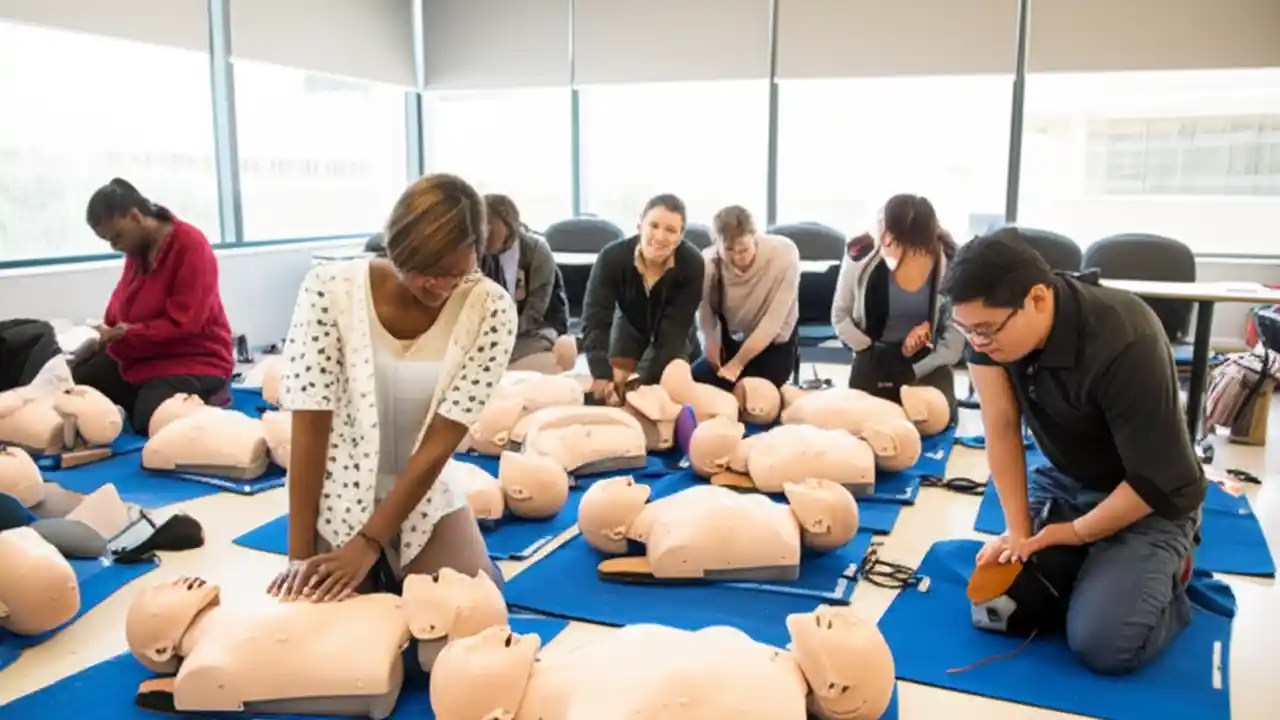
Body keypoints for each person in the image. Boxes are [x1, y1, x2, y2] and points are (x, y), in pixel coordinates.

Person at [944, 228, 1205, 674]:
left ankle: (1172, 569)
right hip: (1069, 482)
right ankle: (1100, 570)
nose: (977, 343)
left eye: (986, 330)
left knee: (1103, 645)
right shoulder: (987, 333)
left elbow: (1152, 478)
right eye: (965, 331)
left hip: (1150, 500)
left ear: (1039, 299)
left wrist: (1070, 535)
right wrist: (1019, 532)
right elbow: (1002, 429)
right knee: (1000, 608)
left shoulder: (1124, 337)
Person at [267, 173, 517, 603]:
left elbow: (438, 446)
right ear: (397, 250)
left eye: (455, 274)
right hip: (338, 494)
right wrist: (299, 557)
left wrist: (369, 543)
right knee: (333, 640)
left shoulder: (491, 309)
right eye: (427, 273)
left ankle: (461, 561)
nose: (440, 287)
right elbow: (309, 430)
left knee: (474, 611)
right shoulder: (329, 290)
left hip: (424, 490)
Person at [74, 178, 234, 435]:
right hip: (145, 354)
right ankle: (147, 397)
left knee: (151, 419)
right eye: (108, 241)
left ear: (136, 216)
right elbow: (121, 302)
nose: (115, 246)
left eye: (117, 236)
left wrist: (128, 332)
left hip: (193, 357)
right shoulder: (138, 251)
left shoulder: (190, 244)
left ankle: (210, 396)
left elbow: (185, 322)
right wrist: (106, 331)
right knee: (81, 382)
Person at [830, 193, 962, 417]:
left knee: (929, 417)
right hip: (873, 353)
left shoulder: (950, 260)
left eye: (913, 248)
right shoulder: (861, 254)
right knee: (868, 419)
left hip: (927, 358)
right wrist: (869, 349)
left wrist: (915, 367)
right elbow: (840, 316)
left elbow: (955, 339)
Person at [580, 194, 704, 404]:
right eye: (653, 225)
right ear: (640, 225)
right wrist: (603, 373)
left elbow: (673, 331)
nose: (660, 236)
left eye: (670, 230)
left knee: (659, 393)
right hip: (629, 325)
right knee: (607, 393)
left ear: (681, 235)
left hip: (674, 335)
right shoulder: (611, 258)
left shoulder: (692, 264)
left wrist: (640, 380)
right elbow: (596, 319)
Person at [692, 206, 799, 389]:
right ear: (716, 244)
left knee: (752, 396)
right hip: (733, 339)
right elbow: (705, 311)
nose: (738, 257)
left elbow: (773, 321)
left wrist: (737, 364)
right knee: (695, 382)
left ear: (754, 237)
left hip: (773, 343)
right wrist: (710, 342)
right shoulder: (708, 263)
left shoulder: (784, 255)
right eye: (729, 250)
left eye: (743, 249)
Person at [480, 194, 571, 369]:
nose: (486, 232)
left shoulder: (537, 252)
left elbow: (536, 311)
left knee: (501, 354)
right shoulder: (479, 254)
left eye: (491, 225)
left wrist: (503, 335)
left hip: (535, 329)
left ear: (509, 224)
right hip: (495, 332)